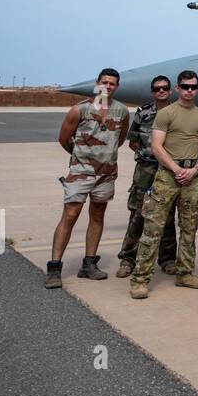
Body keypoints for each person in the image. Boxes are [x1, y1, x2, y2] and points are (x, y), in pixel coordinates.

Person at [130, 70, 198, 298]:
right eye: (185, 86)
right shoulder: (166, 113)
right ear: (178, 88)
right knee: (153, 228)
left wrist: (194, 169)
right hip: (168, 175)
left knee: (189, 228)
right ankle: (140, 279)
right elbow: (157, 146)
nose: (189, 90)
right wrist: (177, 170)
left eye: (193, 87)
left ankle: (185, 273)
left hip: (192, 177)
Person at [48, 68, 131, 287]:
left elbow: (119, 140)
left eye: (112, 83)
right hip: (80, 172)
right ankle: (54, 268)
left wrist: (103, 159)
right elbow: (64, 139)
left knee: (97, 215)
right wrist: (81, 160)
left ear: (117, 86)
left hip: (107, 174)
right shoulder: (80, 110)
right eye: (104, 82)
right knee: (70, 214)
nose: (108, 86)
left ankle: (89, 264)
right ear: (97, 83)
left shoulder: (121, 111)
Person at [116, 75, 177, 278]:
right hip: (145, 170)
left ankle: (167, 260)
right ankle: (127, 258)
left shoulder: (177, 113)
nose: (161, 91)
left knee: (167, 215)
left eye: (165, 88)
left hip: (167, 170)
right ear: (152, 92)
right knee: (137, 215)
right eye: (157, 89)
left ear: (170, 91)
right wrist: (147, 155)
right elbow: (133, 140)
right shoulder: (143, 113)